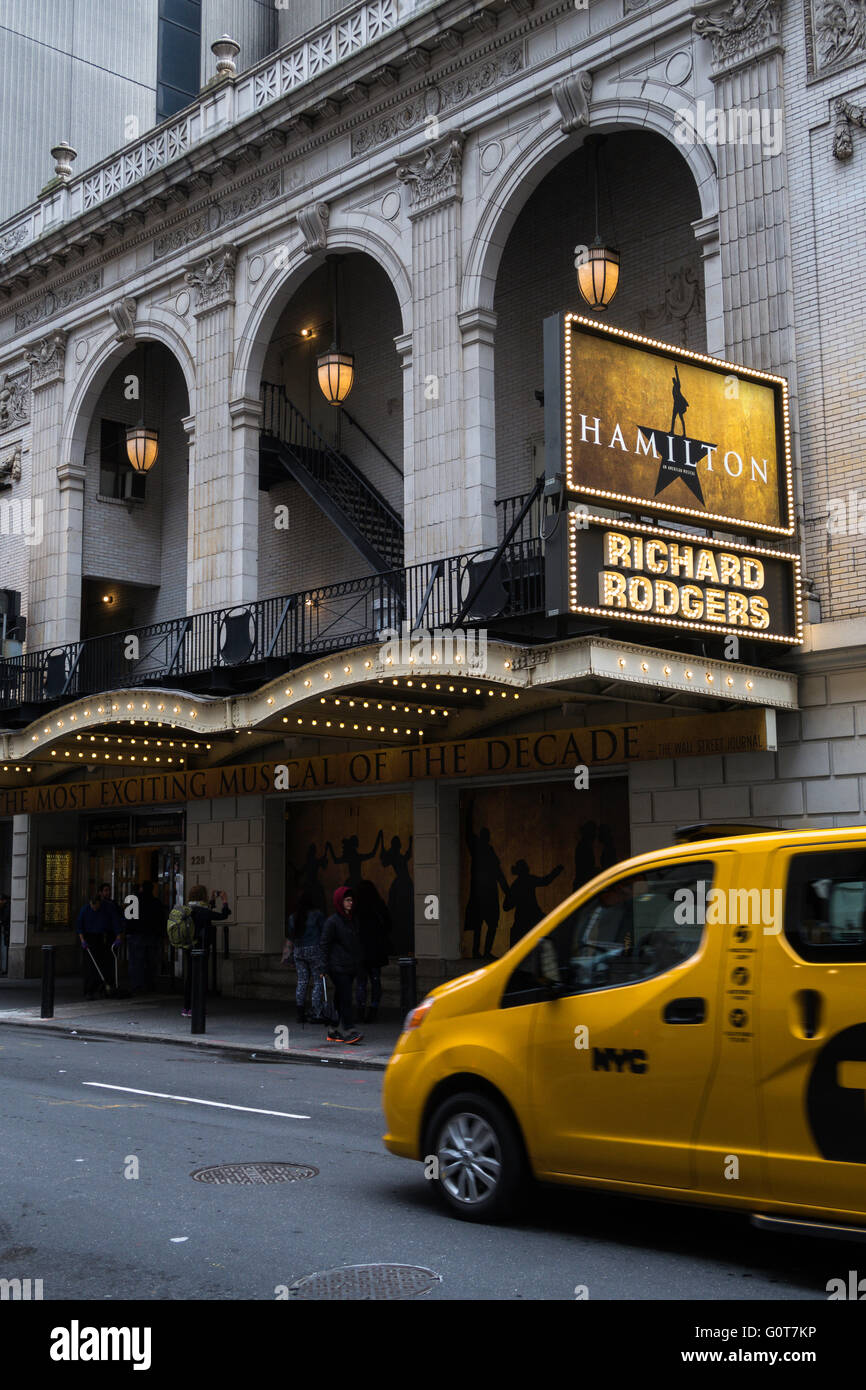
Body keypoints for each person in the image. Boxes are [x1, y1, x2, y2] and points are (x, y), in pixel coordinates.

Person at [464, 801, 508, 959]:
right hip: (481, 893)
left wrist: (507, 890)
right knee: (479, 924)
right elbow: (468, 831)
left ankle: (484, 951)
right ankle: (477, 951)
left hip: (488, 893)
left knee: (490, 924)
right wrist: (469, 810)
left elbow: (498, 872)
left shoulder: (488, 850)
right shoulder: (478, 847)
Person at [320, 886, 364, 1044]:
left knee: (340, 997)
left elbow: (355, 943)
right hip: (337, 966)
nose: (350, 903)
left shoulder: (352, 920)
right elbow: (324, 944)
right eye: (347, 900)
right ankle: (349, 1029)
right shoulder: (332, 922)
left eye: (351, 900)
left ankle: (333, 1030)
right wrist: (323, 967)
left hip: (350, 965)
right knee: (345, 997)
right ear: (340, 901)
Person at [182, 885, 230, 1018]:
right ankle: (197, 1007)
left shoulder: (187, 909)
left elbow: (206, 910)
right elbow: (223, 915)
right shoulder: (202, 911)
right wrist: (225, 901)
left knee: (190, 976)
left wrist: (212, 900)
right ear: (203, 896)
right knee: (200, 977)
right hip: (201, 946)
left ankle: (187, 1007)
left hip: (188, 946)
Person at [282, 890, 326, 1024]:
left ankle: (300, 1013)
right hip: (314, 951)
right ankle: (316, 1012)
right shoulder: (317, 914)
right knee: (318, 981)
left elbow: (290, 936)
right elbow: (324, 932)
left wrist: (287, 953)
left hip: (299, 951)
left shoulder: (293, 917)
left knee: (302, 981)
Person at [353, 879, 392, 1023]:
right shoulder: (379, 906)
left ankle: (360, 1011)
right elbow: (388, 925)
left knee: (361, 982)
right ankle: (373, 1009)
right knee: (375, 980)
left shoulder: (356, 909)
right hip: (376, 949)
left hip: (360, 950)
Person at [503, 860, 564, 949]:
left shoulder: (516, 884)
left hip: (522, 918)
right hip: (533, 915)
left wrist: (512, 897)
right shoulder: (529, 879)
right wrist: (556, 871)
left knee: (516, 943)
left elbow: (506, 906)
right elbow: (545, 881)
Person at [75, 893, 116, 1000]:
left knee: (103, 965)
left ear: (99, 903)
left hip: (101, 938)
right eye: (92, 905)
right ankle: (89, 990)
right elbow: (80, 927)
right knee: (90, 967)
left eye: (96, 905)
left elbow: (110, 924)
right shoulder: (85, 910)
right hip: (89, 939)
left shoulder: (105, 909)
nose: (94, 908)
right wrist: (83, 941)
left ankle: (102, 989)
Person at [130, 881, 167, 993]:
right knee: (151, 962)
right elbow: (161, 920)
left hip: (137, 935)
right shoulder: (156, 902)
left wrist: (128, 931)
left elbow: (129, 919)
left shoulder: (135, 901)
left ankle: (137, 985)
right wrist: (162, 934)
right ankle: (150, 984)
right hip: (152, 935)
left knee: (137, 962)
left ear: (142, 888)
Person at [0, 890, 10, 976]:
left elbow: (4, 919)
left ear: (4, 900)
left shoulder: (7, 907)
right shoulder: (4, 907)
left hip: (6, 931)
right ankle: (4, 968)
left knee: (5, 950)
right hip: (5, 931)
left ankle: (5, 968)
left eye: (1, 900)